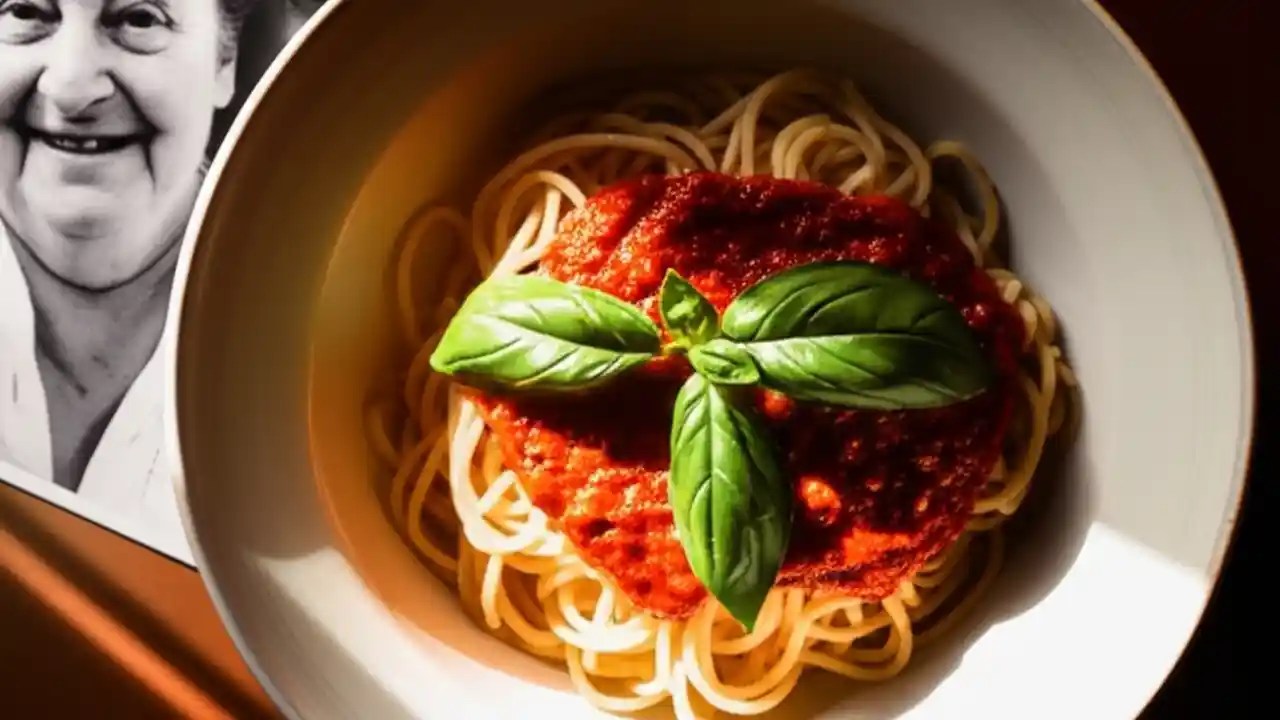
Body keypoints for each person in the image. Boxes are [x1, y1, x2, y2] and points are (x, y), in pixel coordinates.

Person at [0, 0, 270, 560]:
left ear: (225, 62)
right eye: (23, 12)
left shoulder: (313, 324)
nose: (71, 86)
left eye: (139, 19)